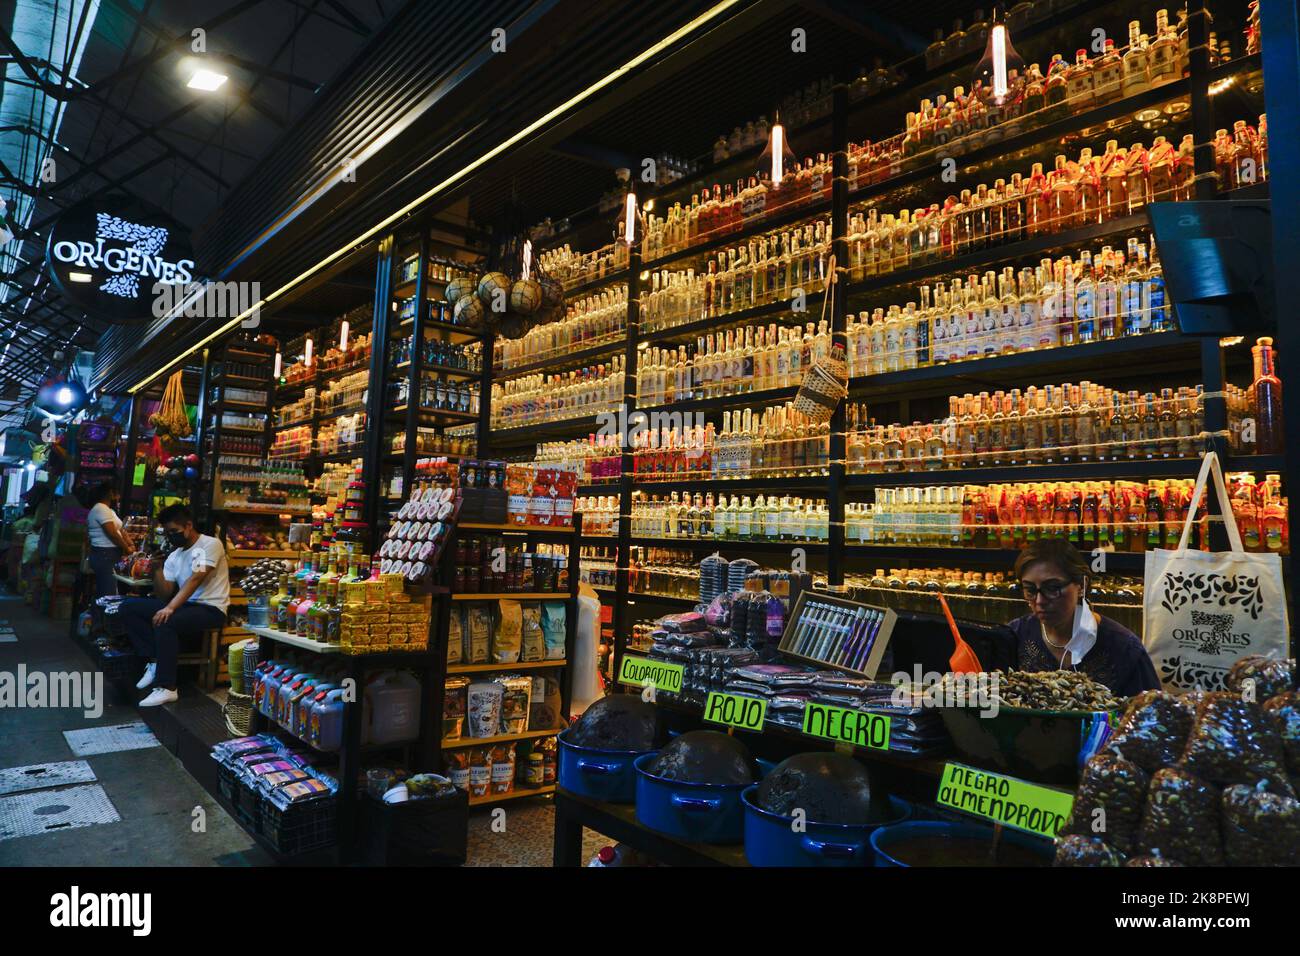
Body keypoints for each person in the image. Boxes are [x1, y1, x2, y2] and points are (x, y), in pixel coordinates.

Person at [1008, 537, 1160, 697]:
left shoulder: (1124, 648)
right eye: (1030, 590)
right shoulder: (1014, 637)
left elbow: (1152, 715)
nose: (1040, 601)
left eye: (1053, 588)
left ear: (1081, 585)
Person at [119, 504, 229, 707]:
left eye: (174, 532)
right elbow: (165, 592)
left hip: (210, 608)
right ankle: (154, 661)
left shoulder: (210, 544)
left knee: (166, 621)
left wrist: (170, 608)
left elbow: (196, 579)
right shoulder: (175, 555)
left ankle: (167, 687)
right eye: (167, 533)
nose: (171, 537)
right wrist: (157, 569)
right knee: (128, 607)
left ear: (188, 526)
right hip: (185, 606)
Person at [84, 481, 133, 598]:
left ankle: (101, 615)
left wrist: (130, 543)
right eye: (117, 493)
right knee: (108, 593)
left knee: (110, 590)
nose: (119, 497)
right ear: (111, 493)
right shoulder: (100, 509)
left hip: (109, 554)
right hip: (104, 554)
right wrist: (126, 548)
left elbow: (120, 530)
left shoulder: (109, 511)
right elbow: (112, 534)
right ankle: (100, 615)